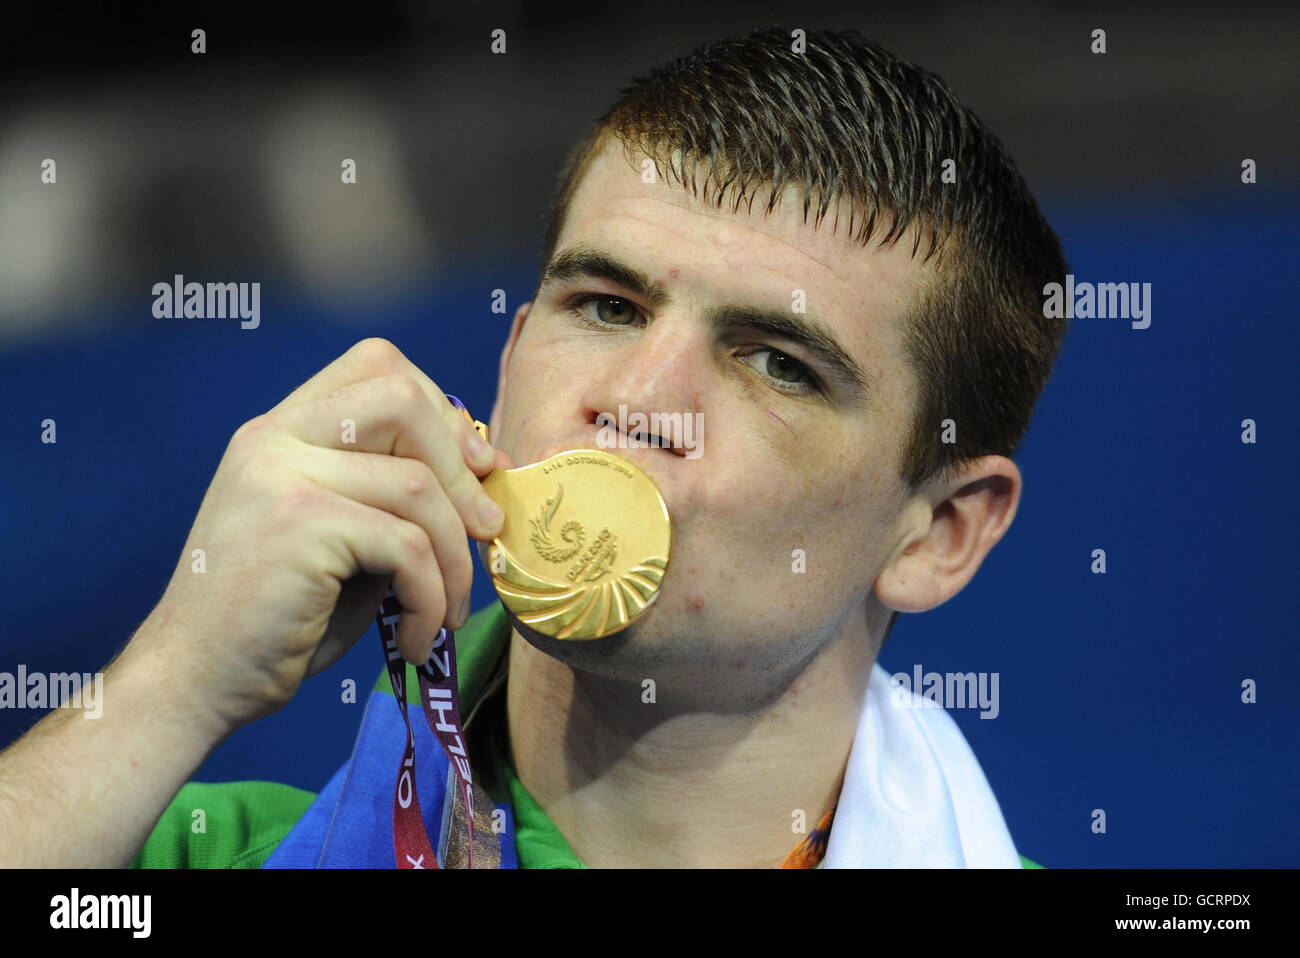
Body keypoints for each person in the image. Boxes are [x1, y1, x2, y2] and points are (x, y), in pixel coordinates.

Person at [0, 26, 1065, 868]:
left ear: (939, 533)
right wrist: (172, 683)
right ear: (510, 370)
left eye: (778, 363)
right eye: (605, 305)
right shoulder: (184, 858)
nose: (640, 398)